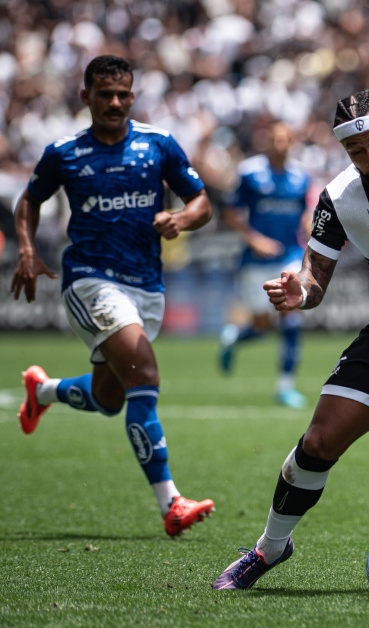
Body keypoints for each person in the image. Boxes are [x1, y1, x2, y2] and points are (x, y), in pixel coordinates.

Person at [213, 89, 369, 591]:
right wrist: (299, 291)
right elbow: (315, 277)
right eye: (358, 152)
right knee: (317, 443)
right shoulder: (339, 197)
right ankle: (270, 548)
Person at [10, 55, 215, 537]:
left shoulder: (157, 145)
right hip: (90, 279)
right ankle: (172, 504)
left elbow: (201, 202)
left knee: (108, 399)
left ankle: (42, 390)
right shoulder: (64, 152)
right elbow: (30, 201)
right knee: (145, 375)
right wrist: (26, 248)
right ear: (86, 97)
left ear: (133, 96)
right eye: (105, 95)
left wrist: (181, 220)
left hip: (146, 284)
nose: (115, 103)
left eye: (123, 94)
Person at [217, 121, 314, 408]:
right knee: (261, 327)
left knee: (291, 320)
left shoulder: (301, 176)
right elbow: (230, 210)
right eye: (274, 139)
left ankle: (285, 387)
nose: (280, 145)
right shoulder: (250, 173)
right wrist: (253, 239)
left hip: (288, 257)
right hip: (256, 259)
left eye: (285, 139)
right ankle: (234, 337)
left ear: (292, 142)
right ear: (267, 142)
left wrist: (308, 227)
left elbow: (304, 211)